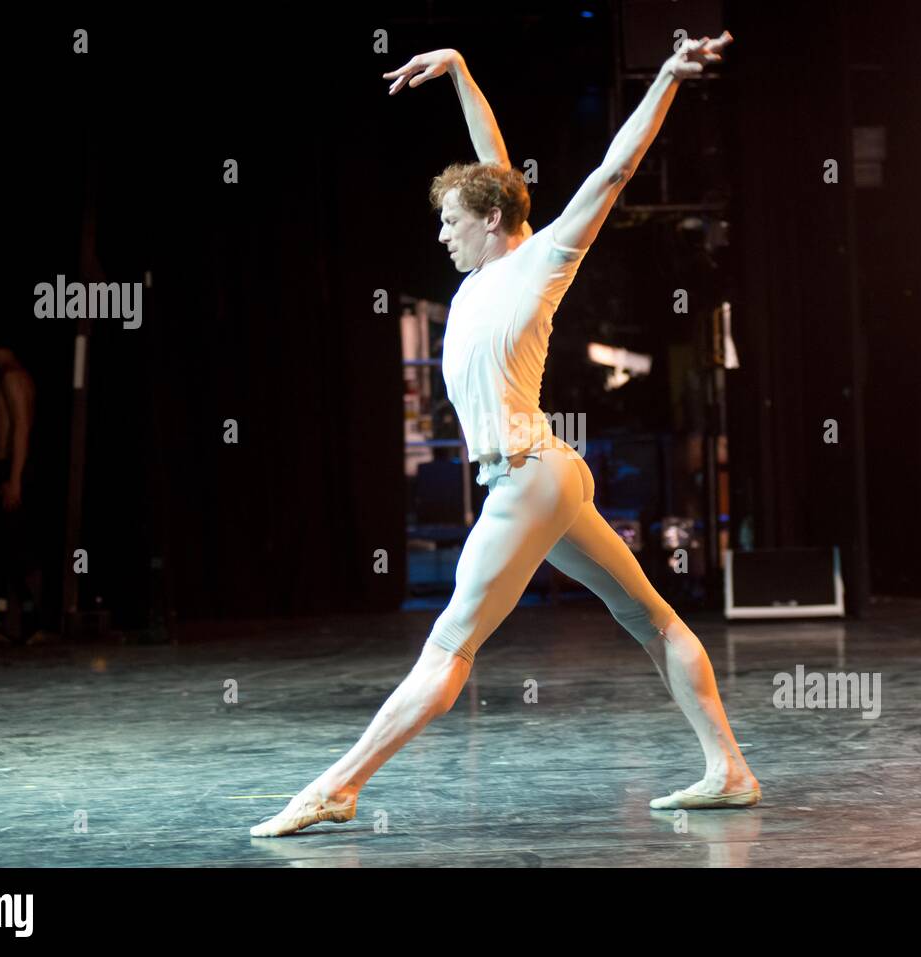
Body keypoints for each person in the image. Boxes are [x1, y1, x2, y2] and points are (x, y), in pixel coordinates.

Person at [252, 31, 754, 838]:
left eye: (452, 220)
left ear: (489, 220)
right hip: (543, 477)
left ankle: (338, 787)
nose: (442, 233)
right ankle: (729, 769)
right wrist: (457, 66)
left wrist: (664, 75)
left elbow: (612, 172)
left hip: (529, 474)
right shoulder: (490, 266)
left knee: (450, 644)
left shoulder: (541, 260)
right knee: (652, 619)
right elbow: (493, 163)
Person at [0, 332, 45, 645]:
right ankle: (14, 625)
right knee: (10, 549)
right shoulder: (18, 376)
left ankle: (32, 624)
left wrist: (14, 478)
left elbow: (20, 429)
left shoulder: (12, 377)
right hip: (8, 468)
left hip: (11, 467)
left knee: (19, 548)